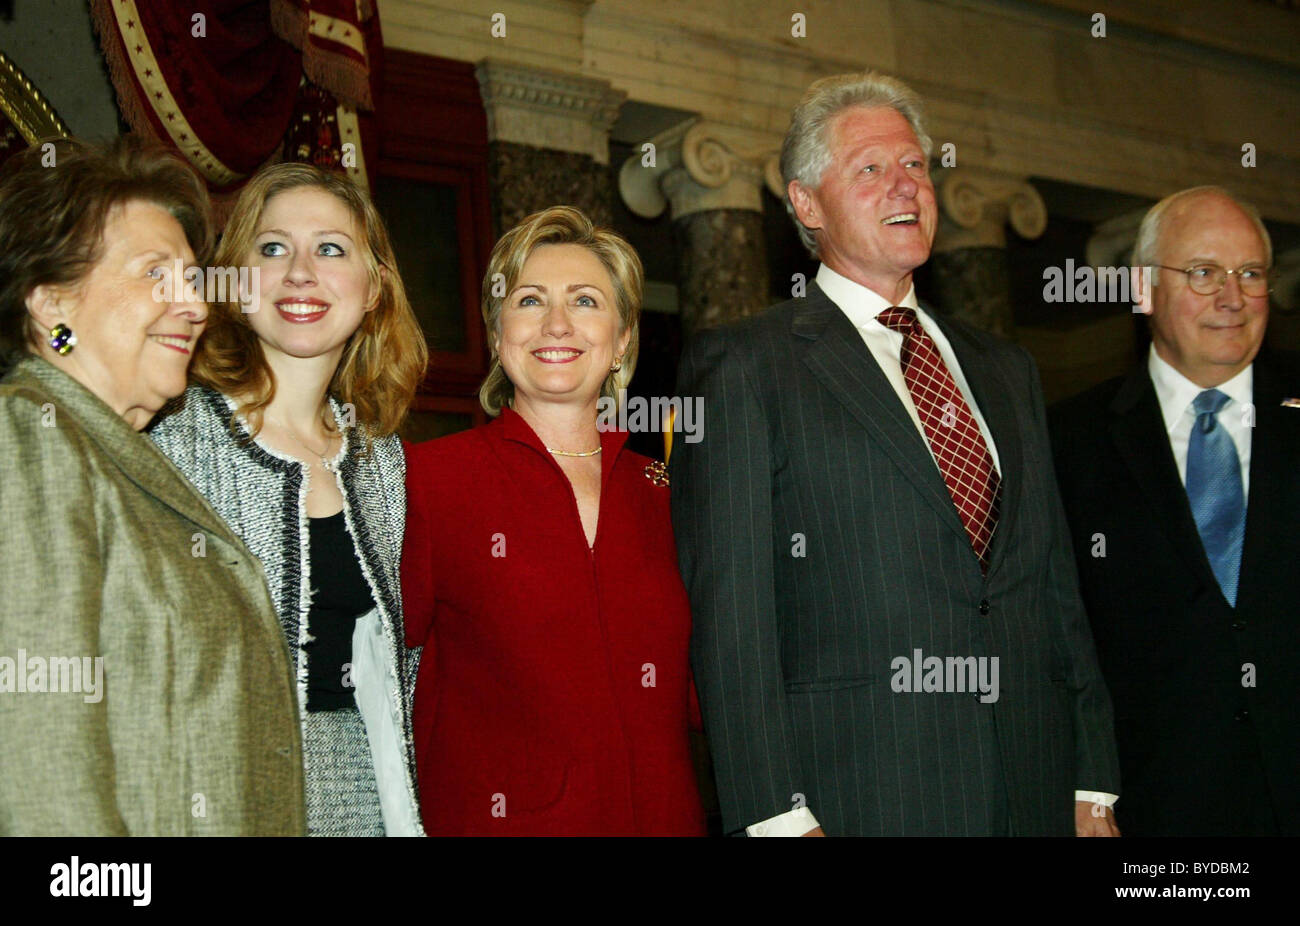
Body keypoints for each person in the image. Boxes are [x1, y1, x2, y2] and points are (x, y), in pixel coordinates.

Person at [671, 71, 1121, 837]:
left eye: (915, 165)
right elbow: (733, 617)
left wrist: (1092, 782)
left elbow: (1053, 587)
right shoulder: (746, 367)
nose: (903, 185)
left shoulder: (1006, 370)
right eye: (870, 169)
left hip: (1037, 787)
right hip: (864, 797)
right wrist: (774, 815)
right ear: (806, 204)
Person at [0, 138, 304, 835]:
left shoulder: (120, 458)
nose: (195, 306)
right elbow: (39, 760)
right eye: (155, 274)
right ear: (52, 306)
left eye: (194, 279)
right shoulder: (33, 440)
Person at [402, 205, 706, 835]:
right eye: (531, 300)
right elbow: (377, 691)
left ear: (622, 339)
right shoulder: (427, 482)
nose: (557, 323)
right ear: (497, 332)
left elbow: (722, 690)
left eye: (587, 301)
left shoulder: (672, 498)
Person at [149, 162, 428, 836]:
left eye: (330, 249)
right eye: (272, 248)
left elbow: (412, 670)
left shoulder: (383, 462)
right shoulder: (171, 436)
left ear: (374, 290)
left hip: (375, 803)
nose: (300, 271)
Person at [1049, 187, 1299, 836]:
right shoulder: (1066, 443)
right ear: (1142, 290)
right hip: (1151, 812)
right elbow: (1052, 631)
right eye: (1203, 273)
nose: (1232, 297)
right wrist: (1086, 786)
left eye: (1249, 274)